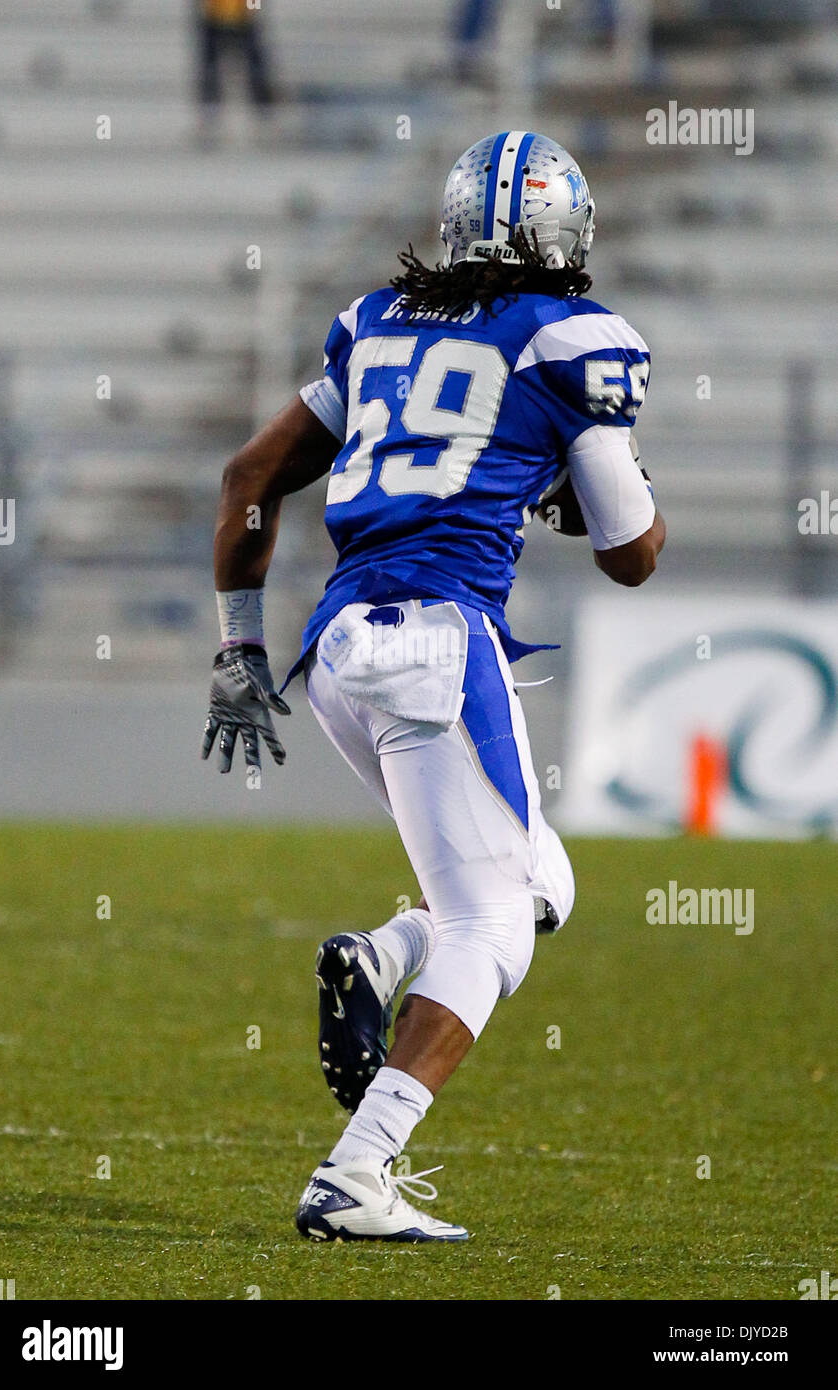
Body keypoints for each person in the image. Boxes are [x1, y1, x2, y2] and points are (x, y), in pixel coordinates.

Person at [202, 131, 665, 1242]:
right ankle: (356, 1170)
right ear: (564, 231)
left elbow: (249, 474)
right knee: (496, 921)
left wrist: (235, 646)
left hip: (338, 651)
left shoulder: (375, 325)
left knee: (539, 874)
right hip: (435, 644)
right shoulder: (570, 340)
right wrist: (594, 481)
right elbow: (631, 552)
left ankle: (384, 952)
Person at [195, 0, 273, 114]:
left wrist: (253, 10)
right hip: (215, 21)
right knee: (210, 67)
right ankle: (209, 106)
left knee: (255, 65)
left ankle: (262, 104)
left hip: (243, 21)